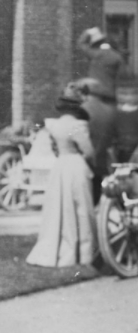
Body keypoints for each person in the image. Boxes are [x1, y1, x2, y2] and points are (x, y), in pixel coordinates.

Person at [26, 84, 97, 268]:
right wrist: (93, 164)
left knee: (59, 208)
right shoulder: (78, 125)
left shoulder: (53, 125)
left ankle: (58, 249)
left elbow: (55, 148)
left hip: (60, 166)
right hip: (75, 165)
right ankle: (84, 253)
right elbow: (88, 151)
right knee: (82, 209)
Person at [78, 28, 123, 94]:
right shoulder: (117, 57)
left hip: (95, 93)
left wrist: (86, 33)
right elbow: (121, 76)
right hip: (110, 93)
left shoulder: (94, 54)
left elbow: (81, 44)